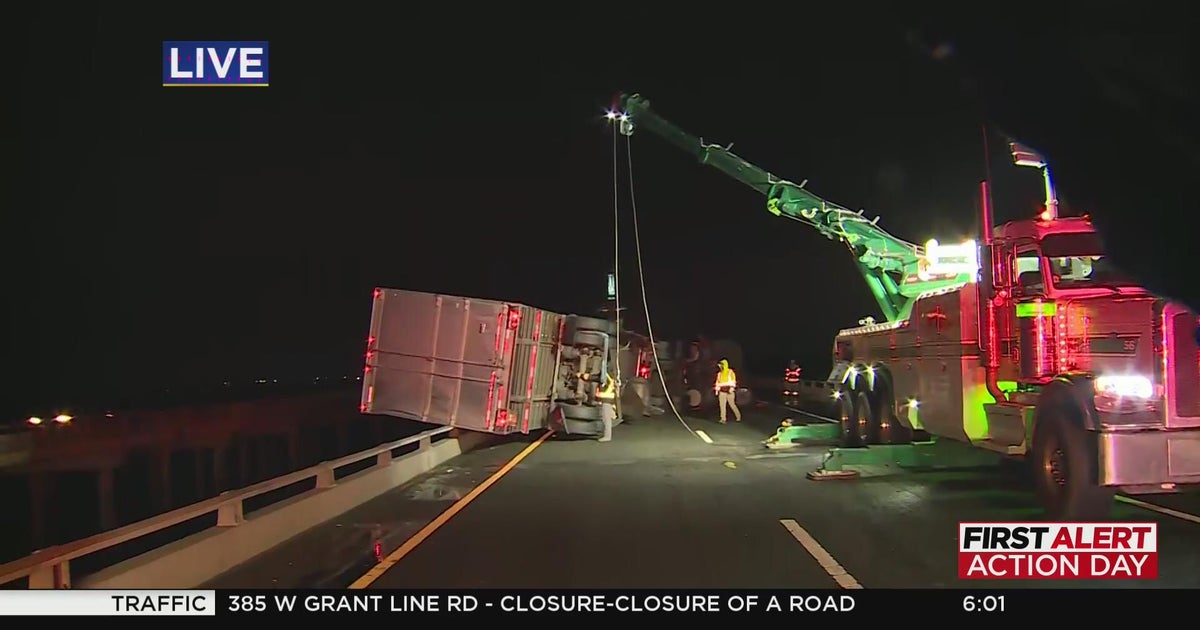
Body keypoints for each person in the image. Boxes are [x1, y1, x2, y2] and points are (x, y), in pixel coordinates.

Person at [713, 358, 741, 424]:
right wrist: (717, 391)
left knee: (732, 404)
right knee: (722, 405)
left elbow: (733, 381)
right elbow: (717, 383)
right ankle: (723, 419)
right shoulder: (719, 374)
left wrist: (732, 388)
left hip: (729, 391)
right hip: (722, 391)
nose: (720, 367)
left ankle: (738, 416)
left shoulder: (730, 372)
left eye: (721, 365)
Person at [594, 371, 618, 441]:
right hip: (607, 399)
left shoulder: (607, 375)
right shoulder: (608, 374)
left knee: (606, 418)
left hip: (607, 399)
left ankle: (607, 436)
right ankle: (607, 435)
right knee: (606, 418)